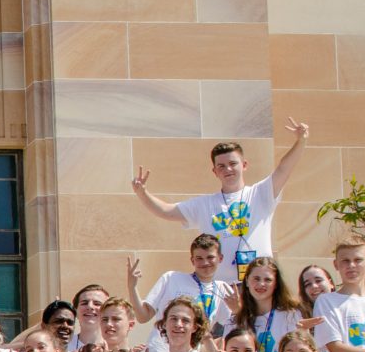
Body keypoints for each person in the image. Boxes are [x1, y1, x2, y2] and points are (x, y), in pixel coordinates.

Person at [129, 118, 309, 275]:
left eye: (232, 163)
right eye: (221, 166)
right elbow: (167, 211)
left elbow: (284, 168)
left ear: (244, 165)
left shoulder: (260, 193)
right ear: (214, 171)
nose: (228, 169)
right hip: (222, 287)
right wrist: (142, 194)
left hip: (258, 285)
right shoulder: (205, 204)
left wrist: (301, 141)